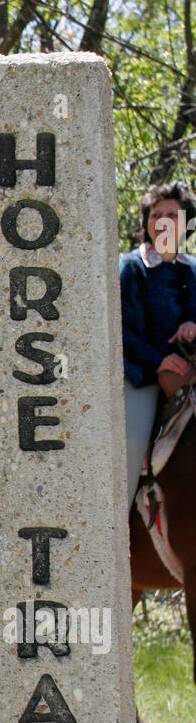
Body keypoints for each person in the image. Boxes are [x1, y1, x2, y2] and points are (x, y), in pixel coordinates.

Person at [121, 180, 196, 507]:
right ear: (146, 223)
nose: (163, 222)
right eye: (156, 215)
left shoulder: (193, 269)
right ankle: (113, 527)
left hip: (188, 369)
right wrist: (157, 362)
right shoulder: (129, 268)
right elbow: (118, 330)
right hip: (141, 373)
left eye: (172, 215)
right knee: (133, 442)